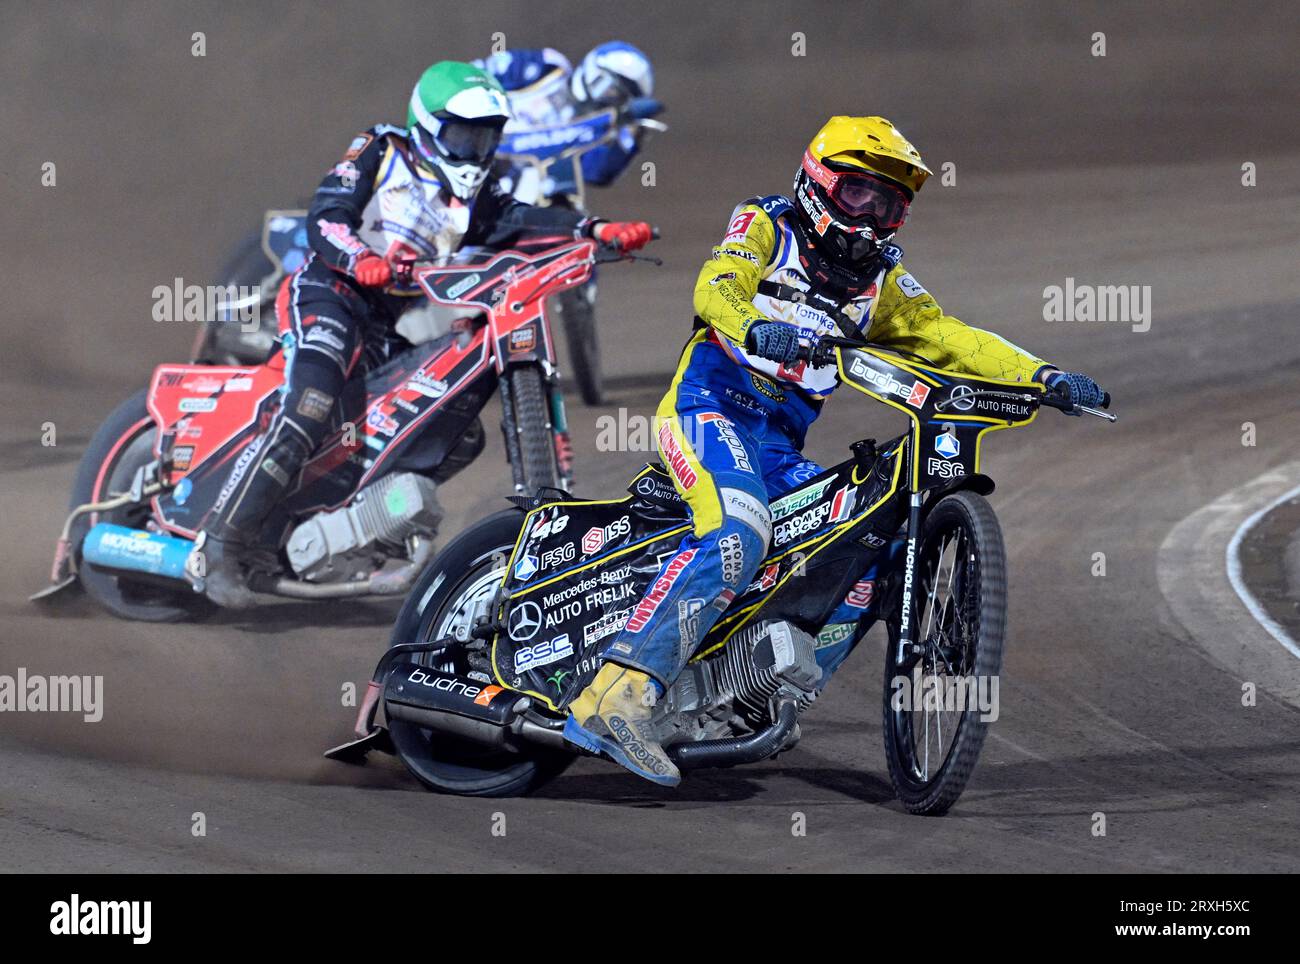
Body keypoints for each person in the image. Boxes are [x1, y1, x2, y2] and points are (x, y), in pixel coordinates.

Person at [563, 115, 1107, 786]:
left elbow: (953, 339)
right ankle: (613, 697)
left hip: (778, 447)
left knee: (860, 551)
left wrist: (1045, 376)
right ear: (817, 182)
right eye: (858, 194)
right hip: (706, 411)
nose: (872, 216)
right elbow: (715, 287)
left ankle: (742, 699)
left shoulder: (882, 285)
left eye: (889, 203)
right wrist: (756, 328)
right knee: (741, 528)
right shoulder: (767, 224)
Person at [195, 61, 652, 606]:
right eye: (463, 134)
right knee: (311, 404)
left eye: (485, 137)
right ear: (429, 125)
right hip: (329, 295)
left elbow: (516, 218)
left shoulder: (472, 195)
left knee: (455, 431)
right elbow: (325, 216)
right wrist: (358, 257)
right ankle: (219, 545)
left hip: (384, 322)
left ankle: (324, 530)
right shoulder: (381, 149)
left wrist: (593, 230)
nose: (474, 148)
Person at [475, 41, 657, 192]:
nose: (608, 103)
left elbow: (593, 173)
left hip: (498, 187)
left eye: (619, 101)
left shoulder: (588, 134)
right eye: (610, 89)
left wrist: (630, 138)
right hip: (466, 143)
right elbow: (476, 75)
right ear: (593, 71)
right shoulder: (547, 68)